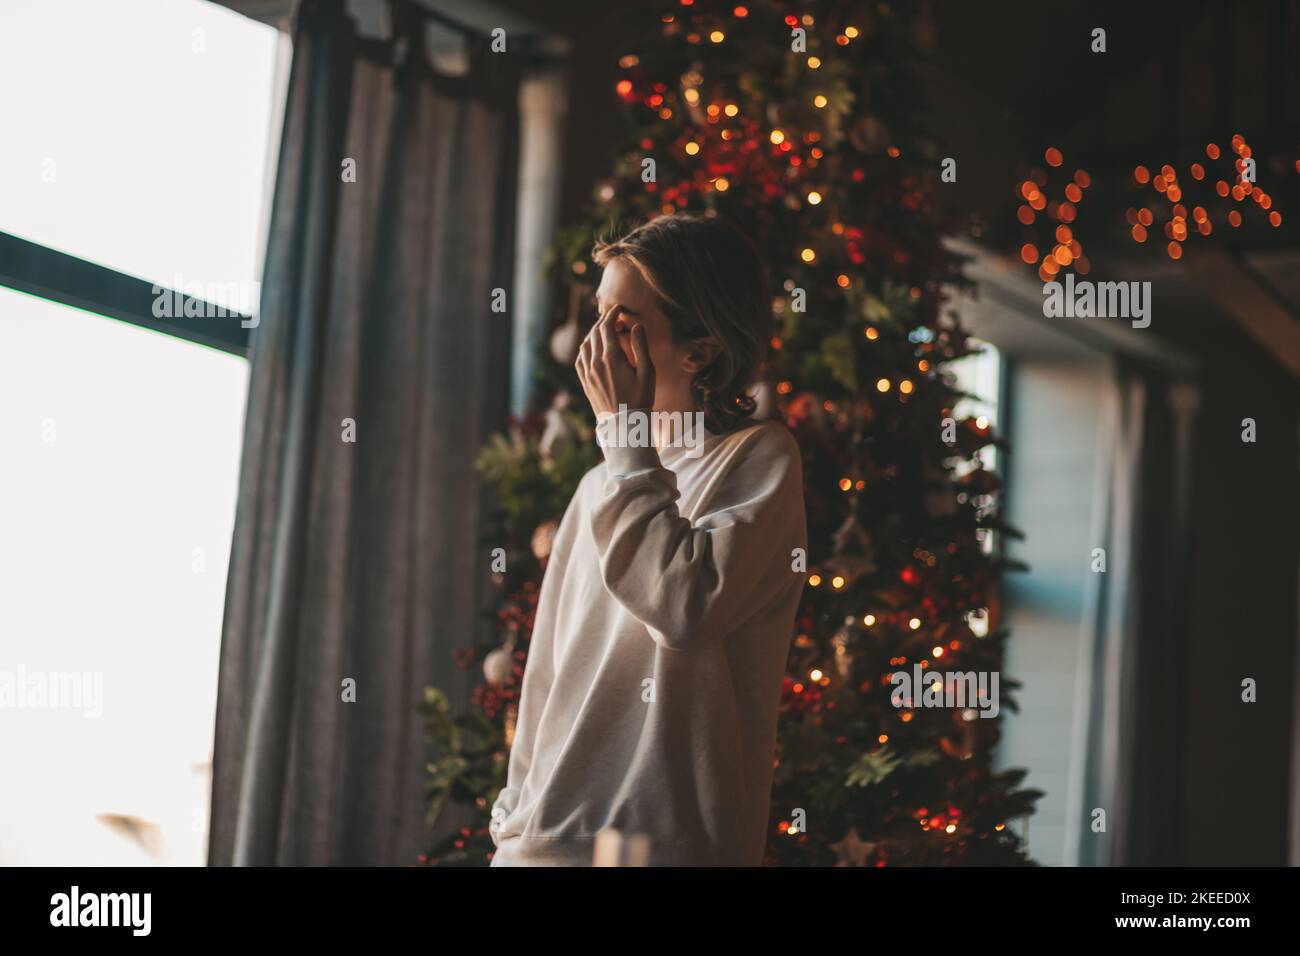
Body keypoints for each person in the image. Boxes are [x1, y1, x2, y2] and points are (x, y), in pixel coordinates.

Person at [488, 213, 807, 866]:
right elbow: (549, 670)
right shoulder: (599, 485)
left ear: (699, 352)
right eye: (597, 315)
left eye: (623, 324)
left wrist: (624, 434)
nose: (594, 347)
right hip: (539, 847)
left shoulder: (758, 460)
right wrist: (515, 816)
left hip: (665, 851)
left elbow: (683, 610)